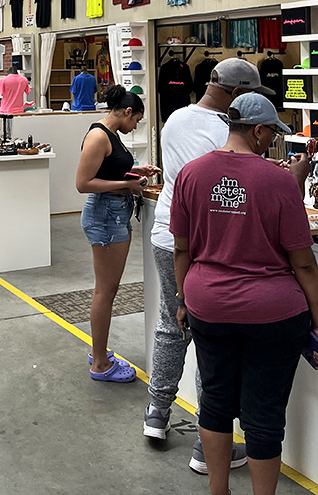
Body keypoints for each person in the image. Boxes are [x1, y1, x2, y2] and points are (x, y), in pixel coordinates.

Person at [171, 93, 318, 495]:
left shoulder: (191, 174)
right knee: (264, 413)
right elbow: (303, 262)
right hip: (273, 313)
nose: (272, 141)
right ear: (257, 131)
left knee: (216, 402)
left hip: (209, 306)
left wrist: (184, 300)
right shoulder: (279, 182)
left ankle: (219, 491)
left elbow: (182, 249)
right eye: (271, 133)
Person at [144, 59, 273, 470]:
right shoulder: (225, 131)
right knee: (209, 340)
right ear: (237, 95)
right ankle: (207, 445)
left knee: (171, 322)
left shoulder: (175, 119)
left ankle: (156, 413)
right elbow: (239, 186)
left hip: (166, 232)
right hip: (201, 239)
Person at [76, 85, 159, 381]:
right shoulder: (99, 135)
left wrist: (135, 173)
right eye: (135, 120)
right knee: (105, 291)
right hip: (105, 215)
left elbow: (108, 171)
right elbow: (83, 183)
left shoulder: (111, 136)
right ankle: (99, 363)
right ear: (126, 112)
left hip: (113, 213)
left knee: (107, 290)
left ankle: (99, 352)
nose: (134, 125)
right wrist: (126, 186)